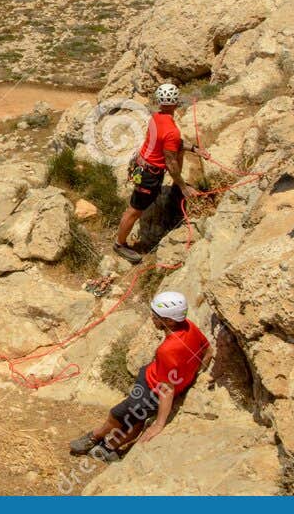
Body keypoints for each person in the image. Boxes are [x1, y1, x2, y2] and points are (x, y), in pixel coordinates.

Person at [68, 291, 209, 462]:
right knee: (132, 418)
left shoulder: (168, 350)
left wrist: (159, 424)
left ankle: (99, 442)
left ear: (170, 321)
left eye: (156, 316)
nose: (152, 318)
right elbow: (208, 350)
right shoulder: (189, 326)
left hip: (151, 391)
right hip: (152, 377)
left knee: (122, 416)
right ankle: (106, 445)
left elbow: (166, 389)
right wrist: (191, 373)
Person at [113, 83, 197, 264]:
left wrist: (194, 149)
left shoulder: (156, 118)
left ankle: (174, 188)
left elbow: (171, 145)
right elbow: (171, 161)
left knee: (135, 208)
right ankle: (119, 244)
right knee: (134, 211)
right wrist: (183, 187)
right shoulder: (172, 131)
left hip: (142, 167)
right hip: (149, 176)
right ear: (176, 103)